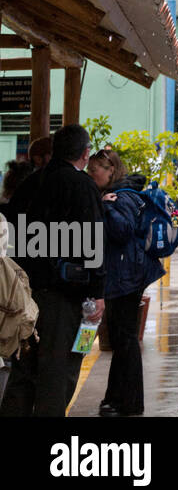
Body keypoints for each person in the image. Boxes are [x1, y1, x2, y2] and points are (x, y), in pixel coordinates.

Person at [0, 125, 105, 417]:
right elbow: (93, 244)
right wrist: (97, 293)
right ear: (85, 153)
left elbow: (11, 236)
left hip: (26, 295)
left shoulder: (31, 184)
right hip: (64, 299)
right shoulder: (83, 186)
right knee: (58, 373)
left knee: (24, 368)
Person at [87, 148, 164, 417]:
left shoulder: (122, 196)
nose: (90, 174)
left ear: (110, 171)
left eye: (94, 169)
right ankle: (116, 400)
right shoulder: (114, 193)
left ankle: (129, 404)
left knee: (126, 340)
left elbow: (123, 231)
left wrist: (106, 207)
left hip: (127, 276)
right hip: (123, 274)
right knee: (123, 341)